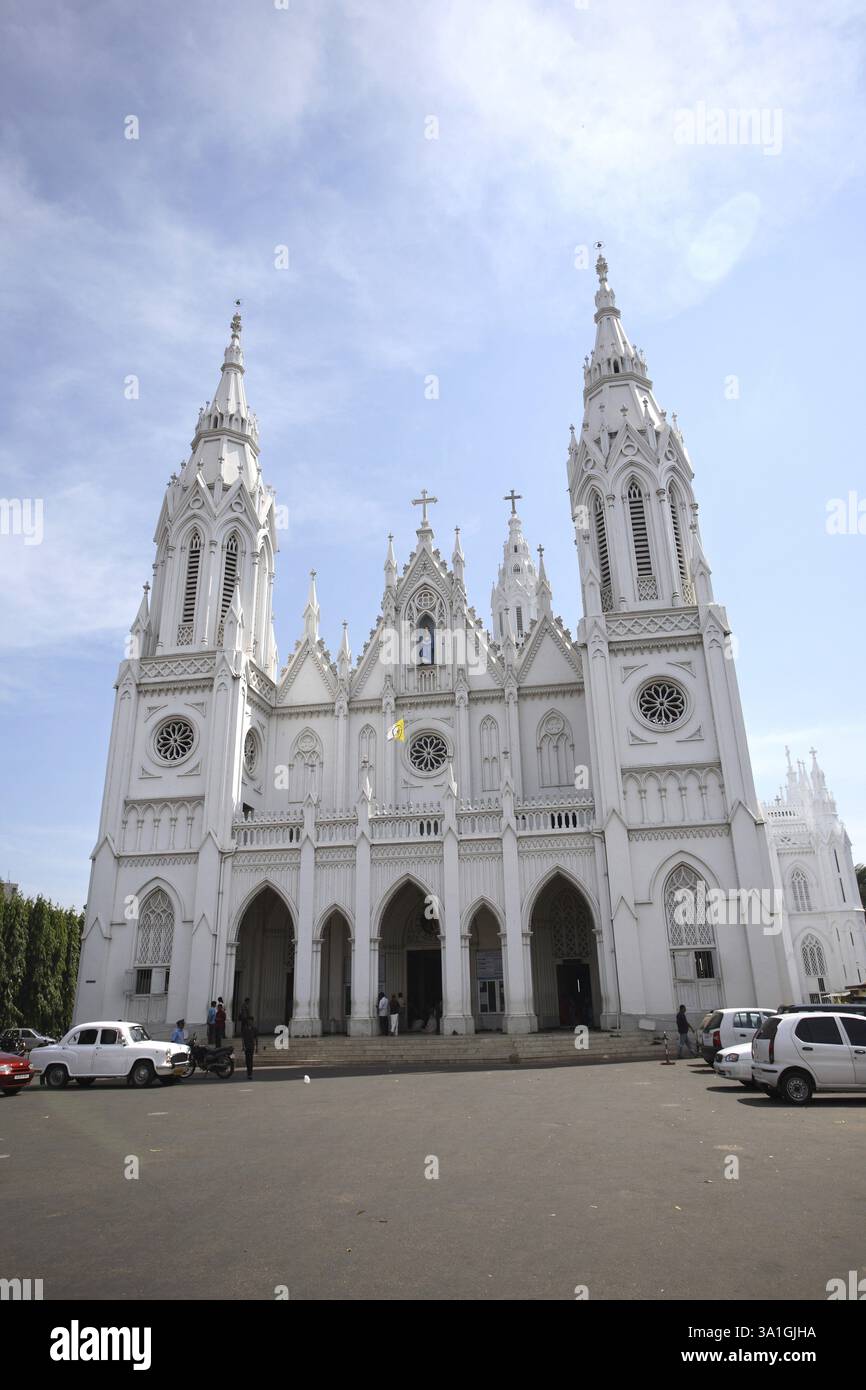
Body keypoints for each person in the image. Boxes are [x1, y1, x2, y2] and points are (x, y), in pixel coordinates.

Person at [240, 1015, 258, 1080]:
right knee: (247, 1061)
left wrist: (256, 1047)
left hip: (252, 1046)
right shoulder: (245, 1029)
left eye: (251, 1021)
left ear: (252, 1021)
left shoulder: (254, 1029)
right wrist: (243, 1046)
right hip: (246, 1046)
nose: (250, 1022)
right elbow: (243, 1038)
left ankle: (250, 1074)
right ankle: (248, 1072)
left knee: (251, 1060)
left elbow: (256, 1038)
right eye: (249, 1020)